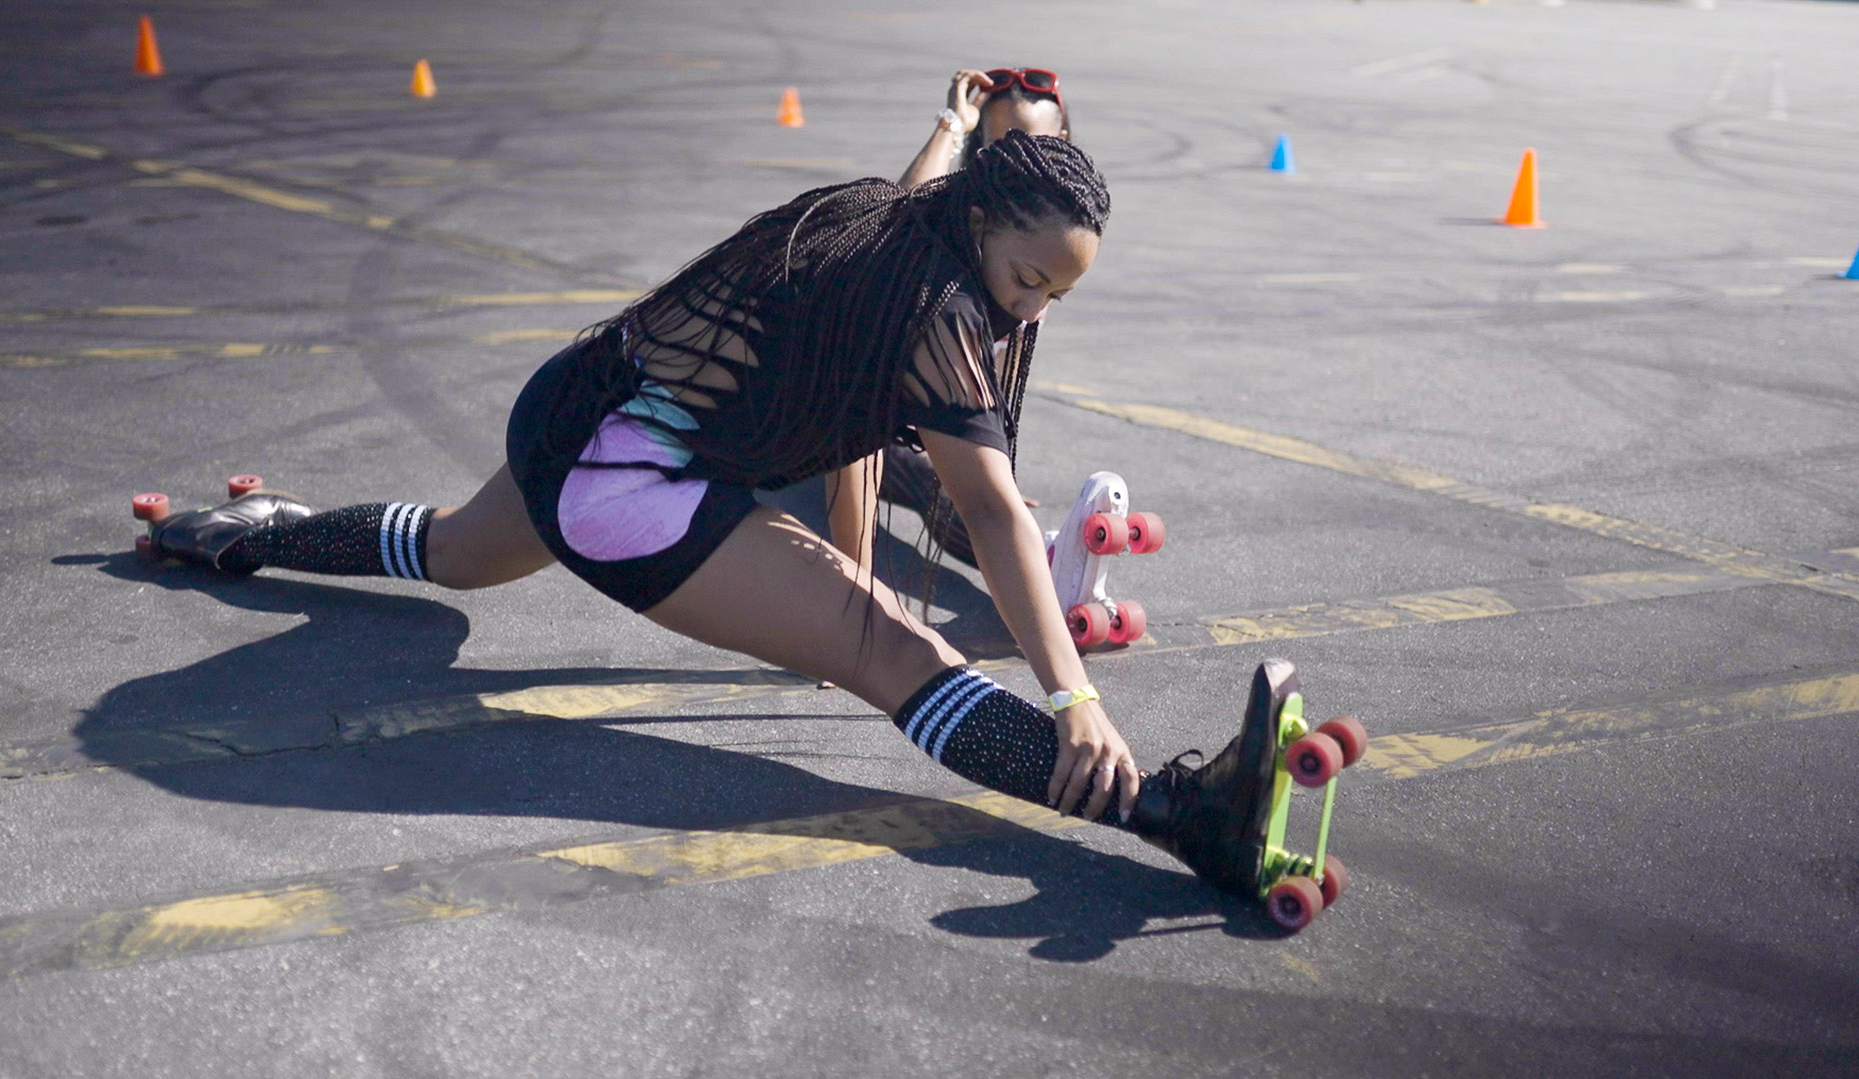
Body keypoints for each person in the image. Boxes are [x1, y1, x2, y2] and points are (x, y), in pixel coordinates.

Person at [133, 132, 1276, 896]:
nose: (1030, 308)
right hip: (622, 474)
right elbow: (986, 509)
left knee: (454, 554)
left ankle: (252, 533)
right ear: (981, 226)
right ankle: (1179, 816)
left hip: (576, 408)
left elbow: (861, 409)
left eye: (1057, 295)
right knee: (893, 650)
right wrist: (1074, 698)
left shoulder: (905, 223)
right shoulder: (937, 307)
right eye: (1029, 278)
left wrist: (948, 118)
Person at [884, 68, 1071, 567]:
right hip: (861, 407)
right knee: (944, 491)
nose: (1018, 158)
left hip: (930, 411)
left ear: (1062, 143)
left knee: (985, 499)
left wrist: (998, 474)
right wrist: (953, 122)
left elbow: (1006, 372)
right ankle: (1048, 570)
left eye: (1031, 143)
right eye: (999, 143)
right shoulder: (960, 211)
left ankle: (1044, 565)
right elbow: (894, 216)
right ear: (979, 147)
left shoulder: (1053, 238)